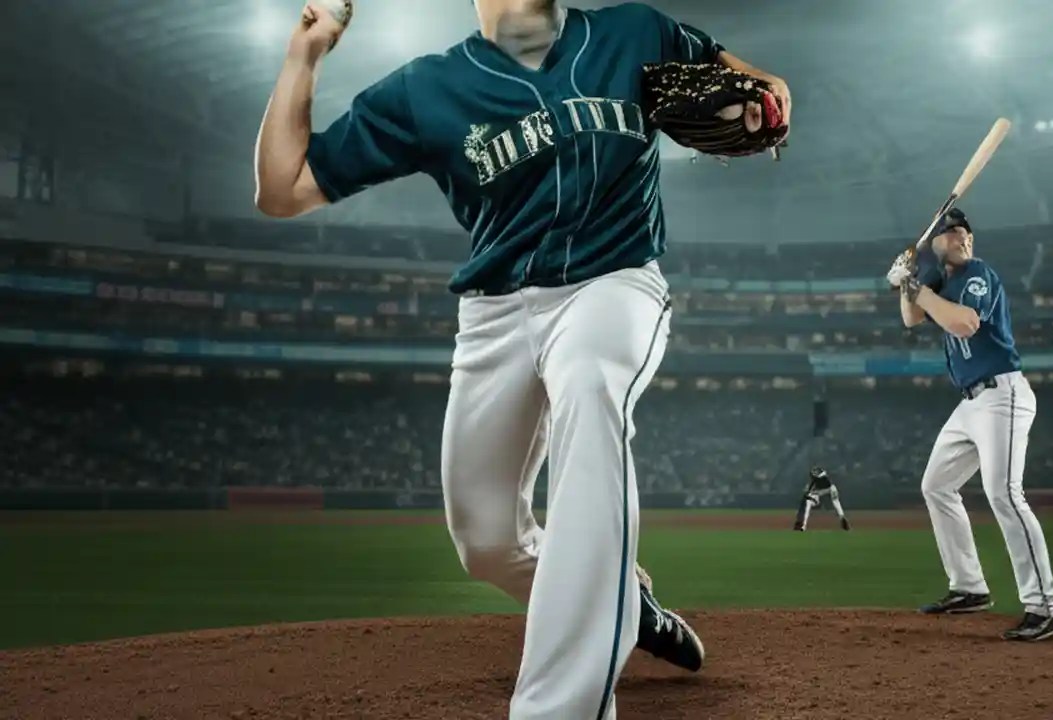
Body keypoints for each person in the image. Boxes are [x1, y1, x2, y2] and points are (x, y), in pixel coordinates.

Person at [253, 2, 791, 717]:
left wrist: (771, 94)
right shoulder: (427, 88)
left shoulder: (634, 32)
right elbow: (282, 189)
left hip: (614, 280)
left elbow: (750, 78)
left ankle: (558, 707)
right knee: (485, 539)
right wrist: (304, 57)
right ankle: (626, 606)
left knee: (591, 389)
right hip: (496, 311)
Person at [887, 208, 1053, 642]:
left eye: (967, 233)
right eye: (952, 233)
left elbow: (964, 324)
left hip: (1001, 395)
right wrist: (907, 278)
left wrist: (910, 284)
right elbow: (911, 319)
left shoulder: (977, 275)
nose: (963, 238)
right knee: (936, 485)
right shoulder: (943, 283)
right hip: (971, 402)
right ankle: (969, 586)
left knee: (1004, 493)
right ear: (936, 244)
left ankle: (1045, 606)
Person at [793, 466, 851, 531]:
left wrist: (809, 493)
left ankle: (803, 525)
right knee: (836, 503)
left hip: (825, 490)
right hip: (828, 489)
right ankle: (842, 517)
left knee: (808, 502)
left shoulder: (819, 479)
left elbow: (813, 486)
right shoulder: (822, 478)